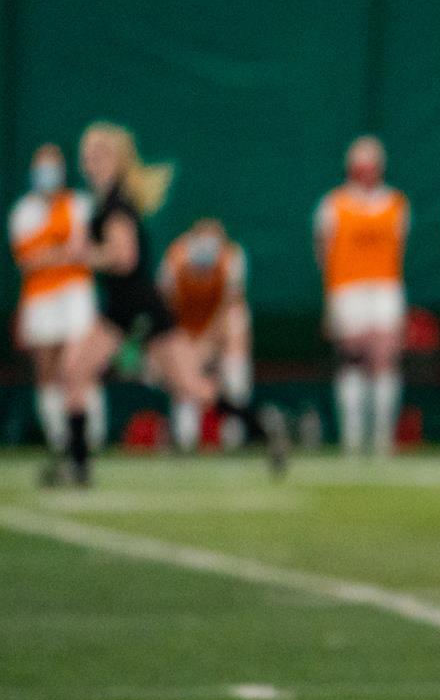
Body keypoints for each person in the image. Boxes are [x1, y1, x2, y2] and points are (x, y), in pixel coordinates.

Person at [47, 123, 281, 485]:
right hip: (130, 305)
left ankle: (78, 464)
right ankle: (262, 429)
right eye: (87, 154)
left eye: (98, 154)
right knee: (188, 386)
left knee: (77, 369)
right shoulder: (105, 202)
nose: (89, 161)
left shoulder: (116, 204)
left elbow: (123, 258)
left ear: (117, 160)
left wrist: (82, 254)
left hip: (135, 307)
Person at [315, 135, 408, 456]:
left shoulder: (396, 202)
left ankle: (382, 436)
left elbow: (399, 248)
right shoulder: (333, 204)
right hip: (348, 288)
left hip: (384, 287)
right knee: (352, 360)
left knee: (385, 358)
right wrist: (331, 298)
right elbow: (324, 251)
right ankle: (352, 438)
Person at [9, 144, 103, 453]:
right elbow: (27, 261)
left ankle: (89, 435)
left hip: (76, 293)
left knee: (77, 363)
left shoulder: (79, 205)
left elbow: (85, 251)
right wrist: (64, 252)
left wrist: (52, 254)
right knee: (47, 367)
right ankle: (59, 437)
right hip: (39, 297)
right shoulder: (22, 212)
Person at [156, 218, 252, 451]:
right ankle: (186, 436)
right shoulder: (175, 259)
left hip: (216, 333)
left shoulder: (231, 258)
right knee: (182, 363)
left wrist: (208, 342)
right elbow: (164, 308)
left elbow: (231, 306)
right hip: (184, 331)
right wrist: (186, 349)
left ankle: (235, 432)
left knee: (237, 327)